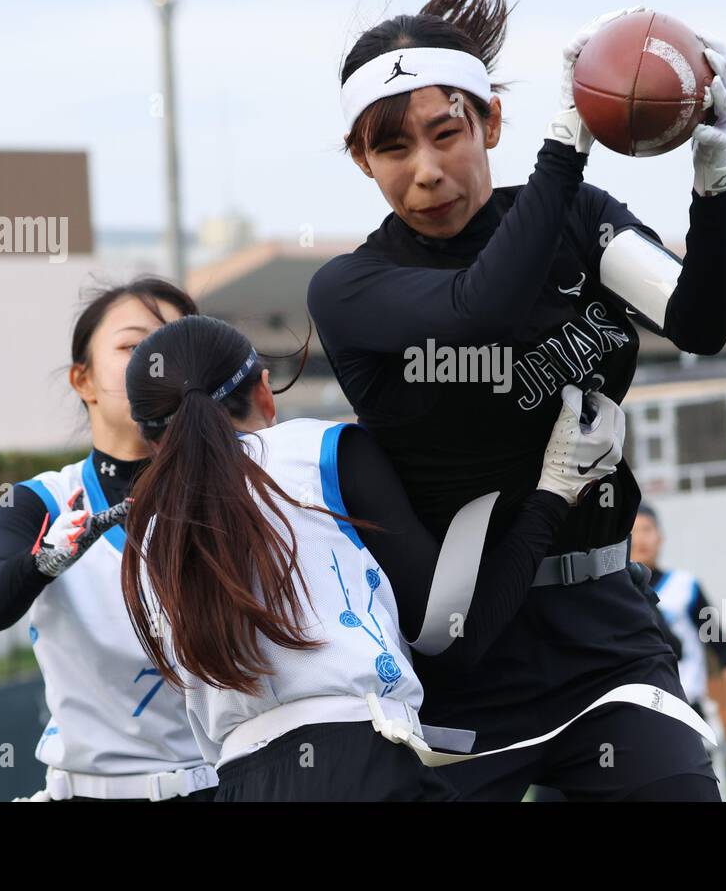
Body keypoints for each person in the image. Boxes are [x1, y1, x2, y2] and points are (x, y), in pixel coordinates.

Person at [307, 0, 726, 800]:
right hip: (469, 657)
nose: (427, 170)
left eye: (447, 131)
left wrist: (715, 178)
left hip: (608, 630)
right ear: (362, 160)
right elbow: (482, 308)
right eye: (393, 146)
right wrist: (565, 144)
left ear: (490, 121)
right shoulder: (350, 289)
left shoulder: (574, 217)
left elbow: (700, 322)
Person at [119, 315, 627, 801]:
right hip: (360, 759)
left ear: (149, 441)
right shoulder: (321, 449)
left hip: (237, 780)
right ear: (264, 391)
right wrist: (555, 489)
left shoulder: (148, 539)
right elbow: (452, 635)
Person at [0, 278, 218, 802]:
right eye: (133, 346)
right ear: (83, 380)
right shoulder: (43, 501)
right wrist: (45, 562)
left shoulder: (233, 492)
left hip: (218, 785)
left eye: (174, 346)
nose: (157, 364)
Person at [632, 503, 726, 799]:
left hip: (687, 710)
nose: (641, 538)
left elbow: (722, 649)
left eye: (647, 529)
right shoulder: (612, 588)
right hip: (633, 714)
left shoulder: (686, 587)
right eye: (633, 531)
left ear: (661, 536)